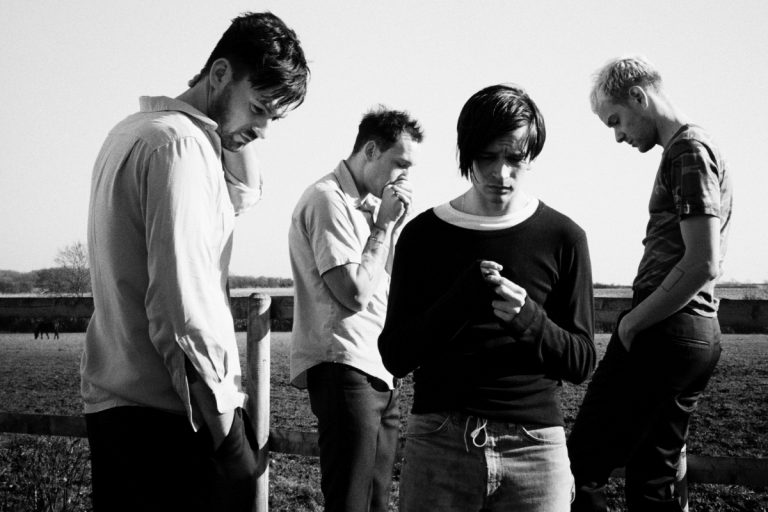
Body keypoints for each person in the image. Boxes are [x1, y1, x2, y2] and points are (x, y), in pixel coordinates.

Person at [80, 12, 309, 512]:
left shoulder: (134, 132)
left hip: (117, 410)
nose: (263, 130)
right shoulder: (181, 149)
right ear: (220, 72)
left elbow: (242, 193)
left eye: (274, 117)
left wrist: (224, 117)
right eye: (259, 108)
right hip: (173, 419)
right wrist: (228, 439)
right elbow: (181, 305)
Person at [378, 84, 595, 511]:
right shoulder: (422, 237)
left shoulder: (564, 238)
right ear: (466, 154)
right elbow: (396, 356)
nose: (501, 173)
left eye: (515, 158)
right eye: (487, 157)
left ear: (531, 155)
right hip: (439, 442)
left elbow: (581, 361)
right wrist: (459, 301)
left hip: (535, 449)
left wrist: (529, 320)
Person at [568, 56, 733, 512]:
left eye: (616, 121)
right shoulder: (694, 148)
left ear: (639, 97)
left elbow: (702, 262)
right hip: (694, 332)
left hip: (666, 328)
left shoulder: (688, 150)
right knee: (651, 482)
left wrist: (632, 324)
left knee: (578, 469)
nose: (618, 136)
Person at [289, 107, 423, 512]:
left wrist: (392, 226)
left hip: (378, 370)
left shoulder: (369, 206)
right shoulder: (328, 200)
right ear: (370, 150)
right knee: (350, 502)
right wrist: (382, 227)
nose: (405, 177)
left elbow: (391, 280)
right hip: (343, 368)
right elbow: (354, 292)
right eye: (400, 163)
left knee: (376, 503)